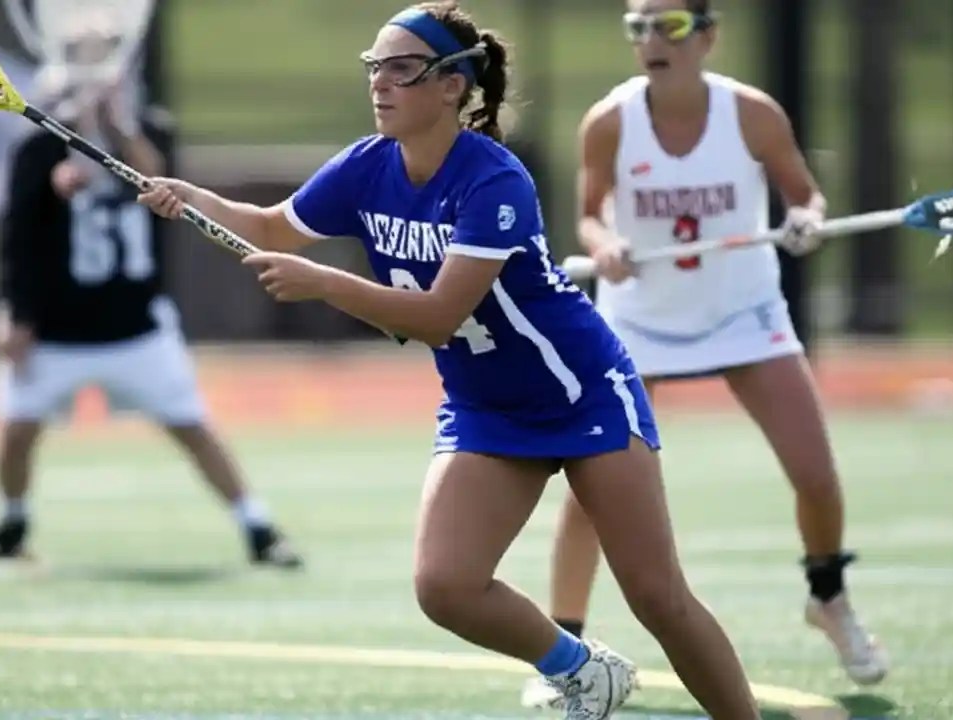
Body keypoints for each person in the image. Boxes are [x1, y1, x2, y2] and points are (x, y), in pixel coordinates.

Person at [138, 3, 762, 718]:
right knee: (445, 586)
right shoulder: (367, 166)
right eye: (375, 67)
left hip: (581, 390)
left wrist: (325, 284)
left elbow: (439, 316)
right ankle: (585, 671)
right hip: (486, 406)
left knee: (656, 595)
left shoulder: (494, 180)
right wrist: (191, 196)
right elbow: (274, 227)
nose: (380, 83)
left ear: (451, 86)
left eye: (402, 69)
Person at [520, 0, 888, 708]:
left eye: (672, 26)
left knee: (815, 472)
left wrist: (805, 221)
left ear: (708, 36)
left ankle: (828, 597)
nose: (652, 39)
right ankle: (565, 651)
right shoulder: (610, 121)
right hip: (639, 321)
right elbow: (590, 214)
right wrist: (606, 244)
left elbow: (804, 197)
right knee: (590, 494)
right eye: (639, 27)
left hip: (743, 314)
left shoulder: (751, 114)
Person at [0, 31, 301, 569]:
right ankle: (10, 523)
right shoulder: (37, 147)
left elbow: (159, 177)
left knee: (192, 426)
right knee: (18, 429)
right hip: (54, 326)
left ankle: (258, 528)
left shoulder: (148, 132)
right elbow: (18, 235)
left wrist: (114, 125)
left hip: (134, 322)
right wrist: (13, 315)